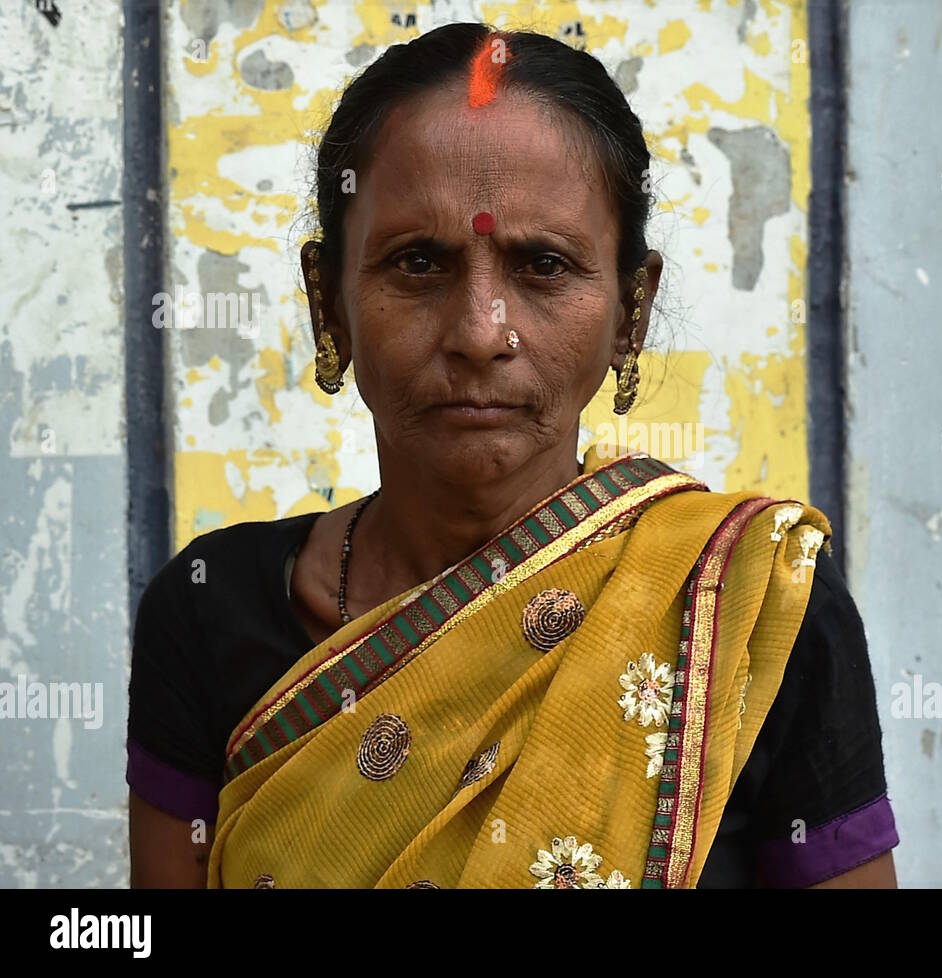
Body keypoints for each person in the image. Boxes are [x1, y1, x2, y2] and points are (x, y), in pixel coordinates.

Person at [126, 22, 898, 889]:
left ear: (631, 311)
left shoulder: (749, 609)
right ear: (327, 302)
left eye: (543, 265)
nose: (480, 332)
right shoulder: (205, 614)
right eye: (418, 263)